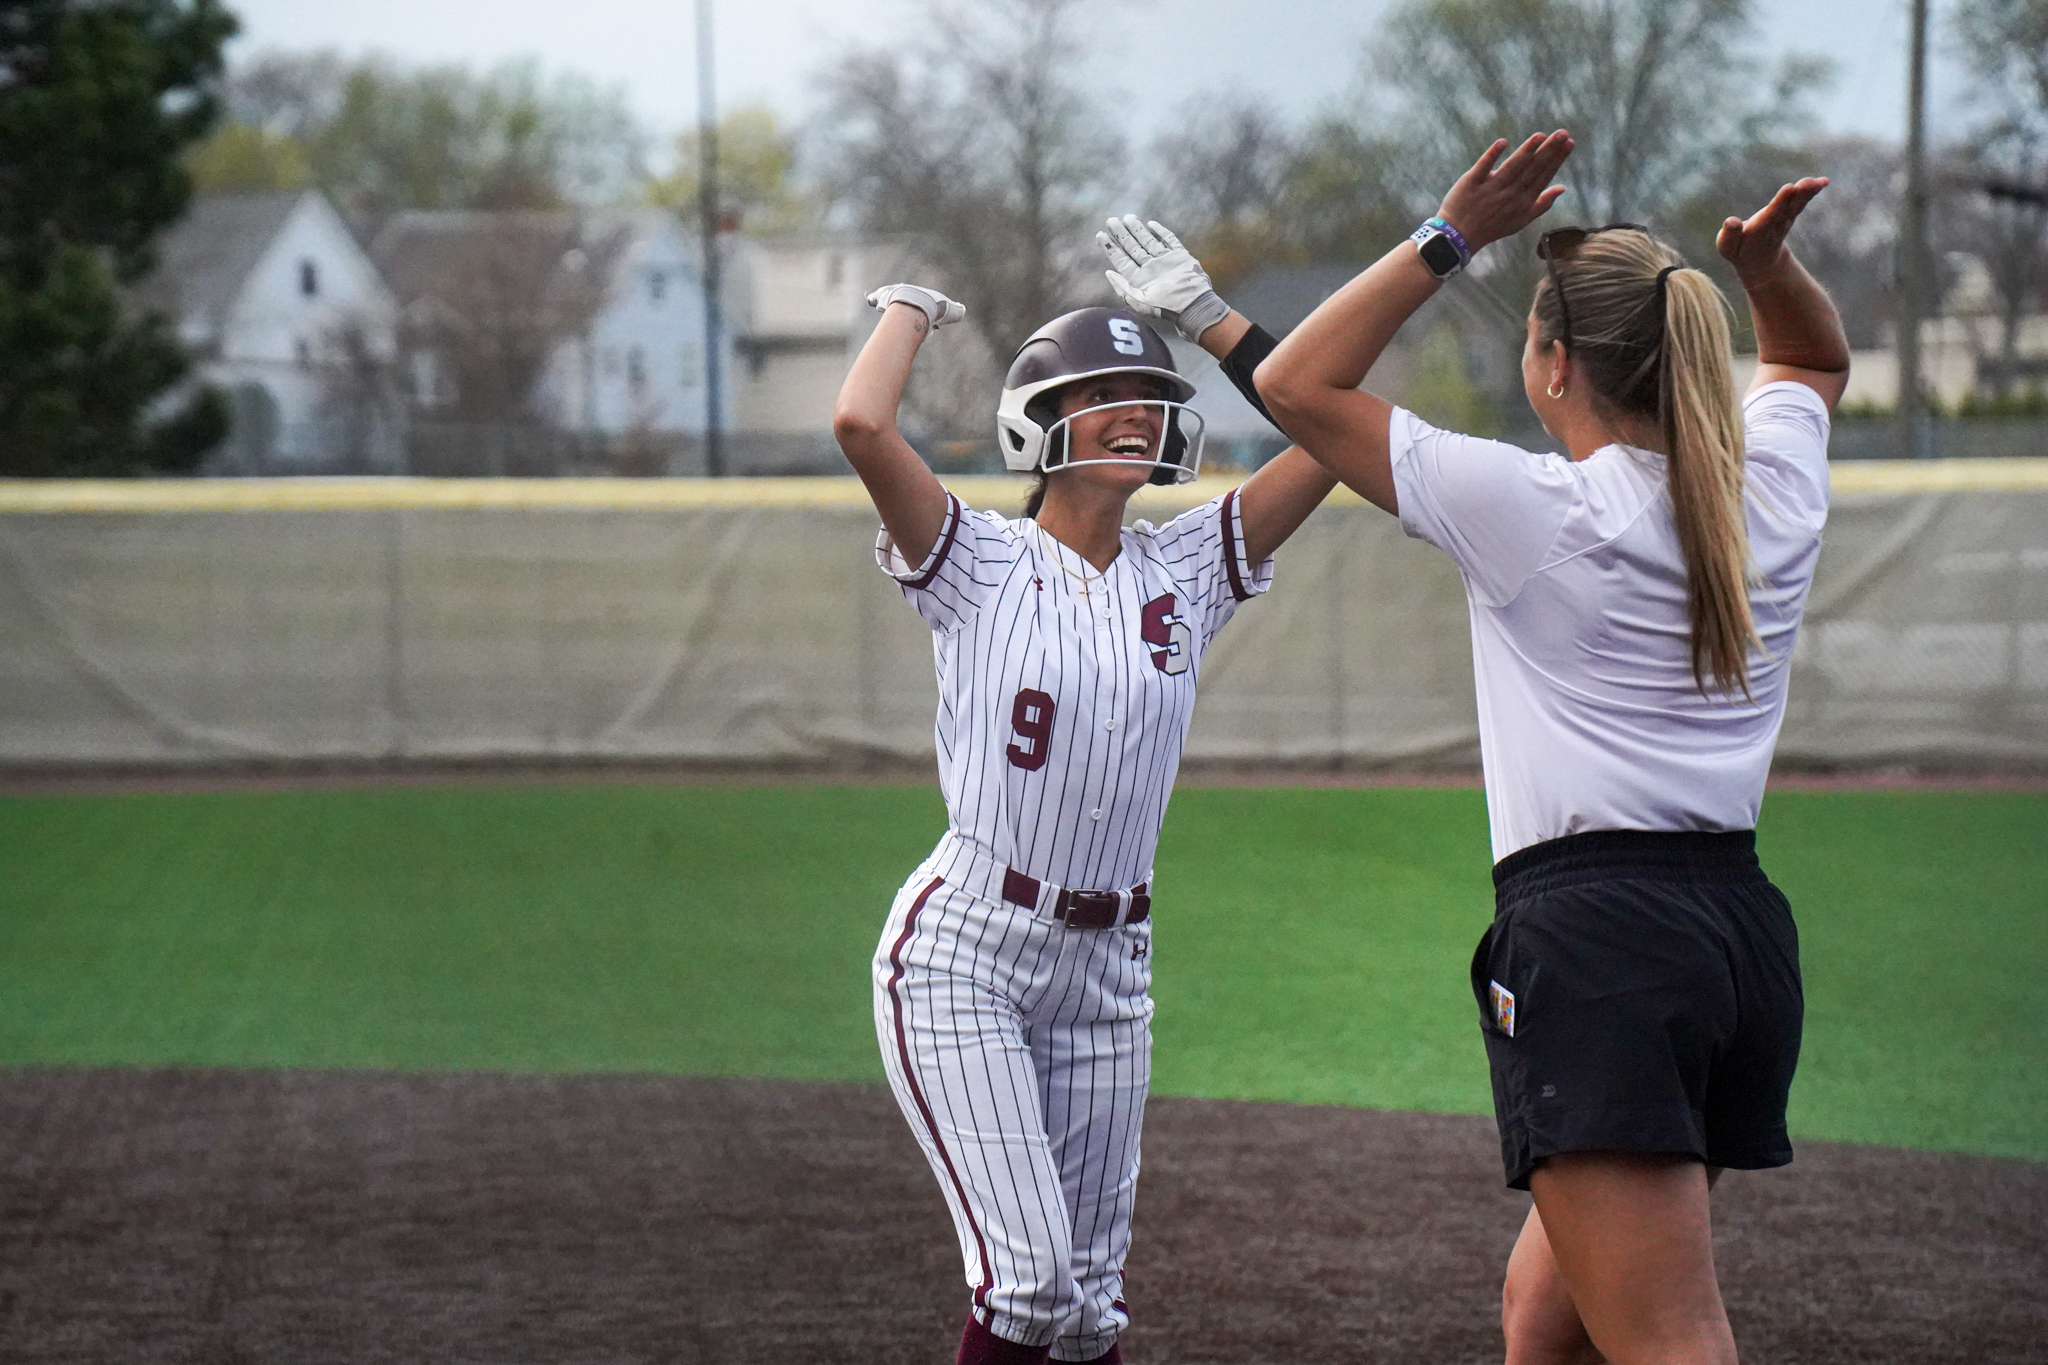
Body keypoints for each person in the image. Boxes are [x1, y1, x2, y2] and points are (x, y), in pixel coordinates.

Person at [1254, 131, 1851, 1365]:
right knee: (1543, 1320)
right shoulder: (1767, 493)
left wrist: (1448, 233)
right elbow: (1804, 358)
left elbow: (1296, 388)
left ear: (1552, 366)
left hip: (1601, 947)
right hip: (1733, 932)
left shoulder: (1533, 509)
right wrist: (1764, 270)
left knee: (1670, 1341)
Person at [831, 219, 1337, 1365]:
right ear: (1034, 424)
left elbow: (1334, 425)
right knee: (1024, 1285)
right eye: (1098, 392)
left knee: (1087, 1307)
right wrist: (911, 302)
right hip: (969, 951)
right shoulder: (973, 560)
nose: (1130, 412)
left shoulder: (1186, 567)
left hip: (1109, 970)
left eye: (1146, 393)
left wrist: (1213, 324)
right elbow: (860, 424)